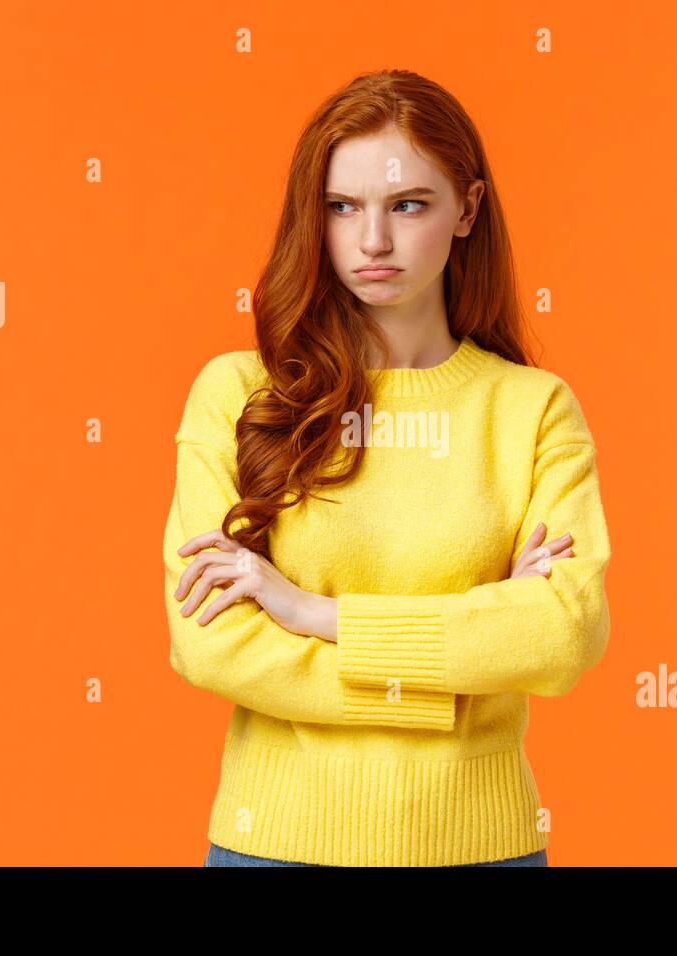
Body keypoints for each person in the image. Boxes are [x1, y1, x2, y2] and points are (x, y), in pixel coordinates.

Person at [164, 68, 611, 867]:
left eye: (408, 204)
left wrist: (312, 614)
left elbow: (562, 636)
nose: (373, 241)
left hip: (481, 848)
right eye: (343, 207)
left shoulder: (532, 409)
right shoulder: (237, 394)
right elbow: (212, 647)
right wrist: (470, 647)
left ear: (467, 209)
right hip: (275, 847)